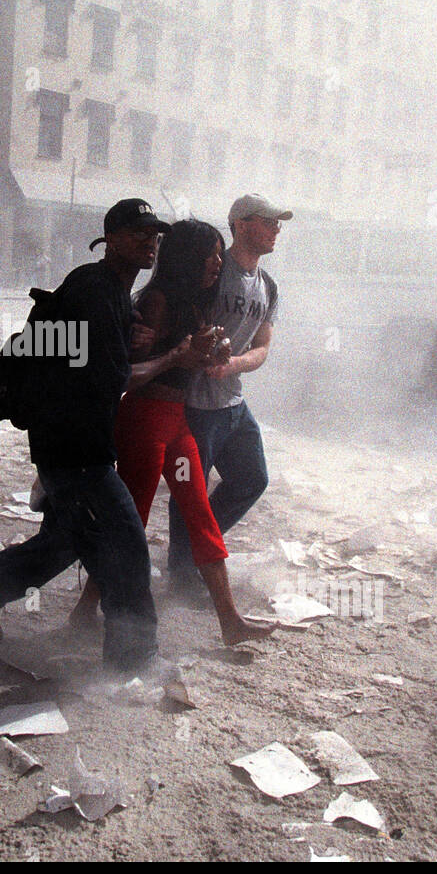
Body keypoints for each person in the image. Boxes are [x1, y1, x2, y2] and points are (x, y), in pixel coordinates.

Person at [0, 198, 186, 671]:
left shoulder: (103, 290)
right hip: (76, 451)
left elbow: (69, 353)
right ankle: (132, 663)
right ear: (111, 239)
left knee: (66, 541)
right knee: (125, 551)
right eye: (139, 233)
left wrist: (125, 339)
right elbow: (110, 379)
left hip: (62, 442)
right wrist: (171, 358)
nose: (150, 243)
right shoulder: (97, 290)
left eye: (155, 235)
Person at [67, 220, 271, 646]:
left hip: (176, 423)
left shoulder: (195, 303)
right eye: (211, 254)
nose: (218, 262)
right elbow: (131, 373)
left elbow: (188, 363)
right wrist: (182, 353)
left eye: (219, 253)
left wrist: (213, 353)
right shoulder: (158, 302)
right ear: (188, 257)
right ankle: (86, 608)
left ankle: (230, 620)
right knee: (130, 522)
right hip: (145, 422)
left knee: (199, 514)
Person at [167, 194, 285, 591]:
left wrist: (232, 364)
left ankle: (198, 549)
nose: (276, 229)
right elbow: (175, 312)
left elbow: (262, 349)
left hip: (233, 403)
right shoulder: (214, 271)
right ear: (240, 224)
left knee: (252, 479)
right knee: (189, 491)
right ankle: (184, 574)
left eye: (277, 223)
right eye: (267, 221)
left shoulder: (267, 286)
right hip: (195, 404)